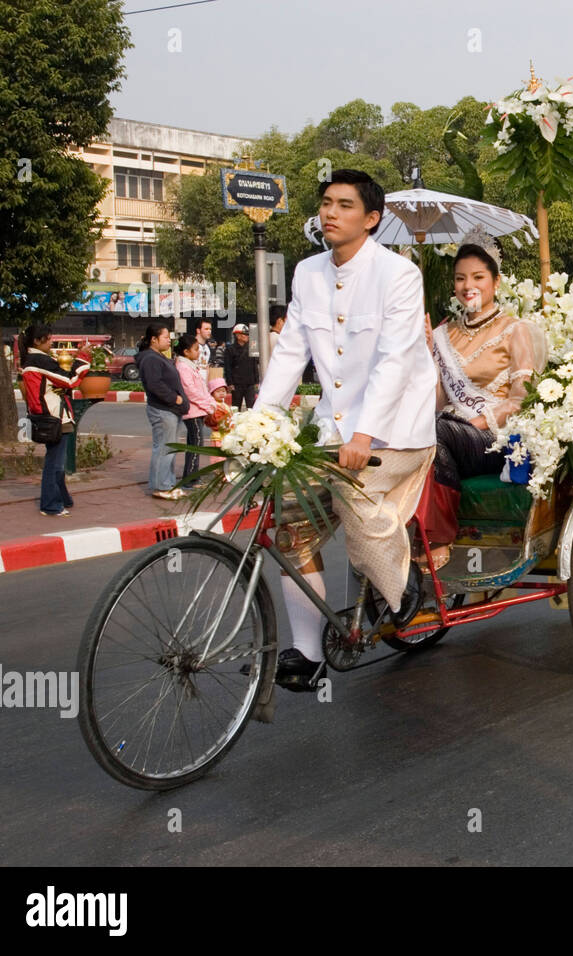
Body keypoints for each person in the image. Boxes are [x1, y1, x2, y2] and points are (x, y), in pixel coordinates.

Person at [255, 168, 437, 691]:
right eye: (325, 203)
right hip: (332, 432)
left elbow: (394, 360)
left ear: (372, 218)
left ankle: (402, 587)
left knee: (352, 497)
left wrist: (364, 434)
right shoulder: (308, 273)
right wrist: (261, 420)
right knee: (291, 516)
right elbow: (291, 351)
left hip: (396, 433)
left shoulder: (398, 275)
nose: (329, 213)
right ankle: (307, 655)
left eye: (344, 205)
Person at [417, 228, 543, 569]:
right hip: (447, 430)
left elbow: (521, 398)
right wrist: (428, 354)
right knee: (426, 427)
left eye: (477, 277)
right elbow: (438, 400)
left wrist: (477, 421)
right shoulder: (443, 334)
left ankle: (439, 536)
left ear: (495, 282)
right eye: (460, 278)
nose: (467, 285)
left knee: (437, 429)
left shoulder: (514, 330)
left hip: (493, 440)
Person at [18, 324, 90, 517]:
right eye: (48, 338)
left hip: (44, 416)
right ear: (37, 341)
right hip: (55, 416)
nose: (51, 341)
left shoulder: (30, 360)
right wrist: (82, 357)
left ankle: (63, 499)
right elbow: (69, 380)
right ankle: (50, 504)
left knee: (55, 460)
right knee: (55, 464)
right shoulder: (40, 360)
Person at [135, 323, 189, 500]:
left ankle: (168, 483)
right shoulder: (150, 359)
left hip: (170, 410)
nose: (169, 341)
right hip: (162, 409)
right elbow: (155, 384)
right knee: (164, 448)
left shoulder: (158, 357)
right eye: (165, 337)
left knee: (170, 448)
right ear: (154, 339)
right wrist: (175, 398)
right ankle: (161, 486)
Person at [174, 331, 216, 485]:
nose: (199, 353)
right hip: (192, 412)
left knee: (196, 444)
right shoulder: (183, 367)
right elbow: (191, 391)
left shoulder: (189, 366)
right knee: (196, 445)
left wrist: (211, 402)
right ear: (186, 352)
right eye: (196, 349)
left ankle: (192, 476)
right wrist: (208, 406)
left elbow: (201, 389)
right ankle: (190, 479)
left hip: (197, 410)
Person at [222, 323, 258, 409]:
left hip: (250, 382)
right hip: (237, 383)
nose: (247, 336)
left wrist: (256, 380)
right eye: (244, 334)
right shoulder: (230, 349)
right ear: (238, 336)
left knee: (251, 407)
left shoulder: (251, 348)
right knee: (236, 407)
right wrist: (230, 383)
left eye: (247, 334)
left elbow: (254, 364)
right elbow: (228, 367)